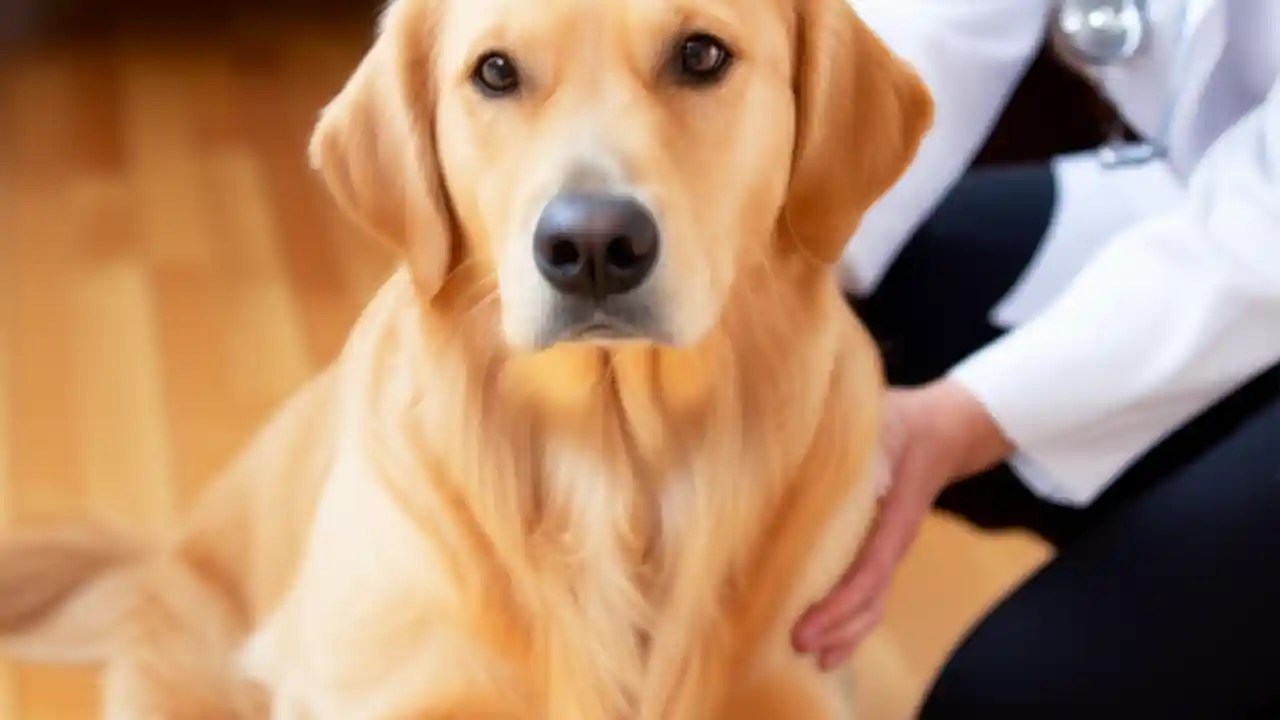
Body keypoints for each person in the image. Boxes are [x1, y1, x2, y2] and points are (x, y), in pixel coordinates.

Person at [789, 0, 1280, 716]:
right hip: (1204, 190)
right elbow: (936, 26)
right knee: (851, 321)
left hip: (1256, 235)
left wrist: (954, 423)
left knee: (1007, 700)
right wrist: (775, 278)